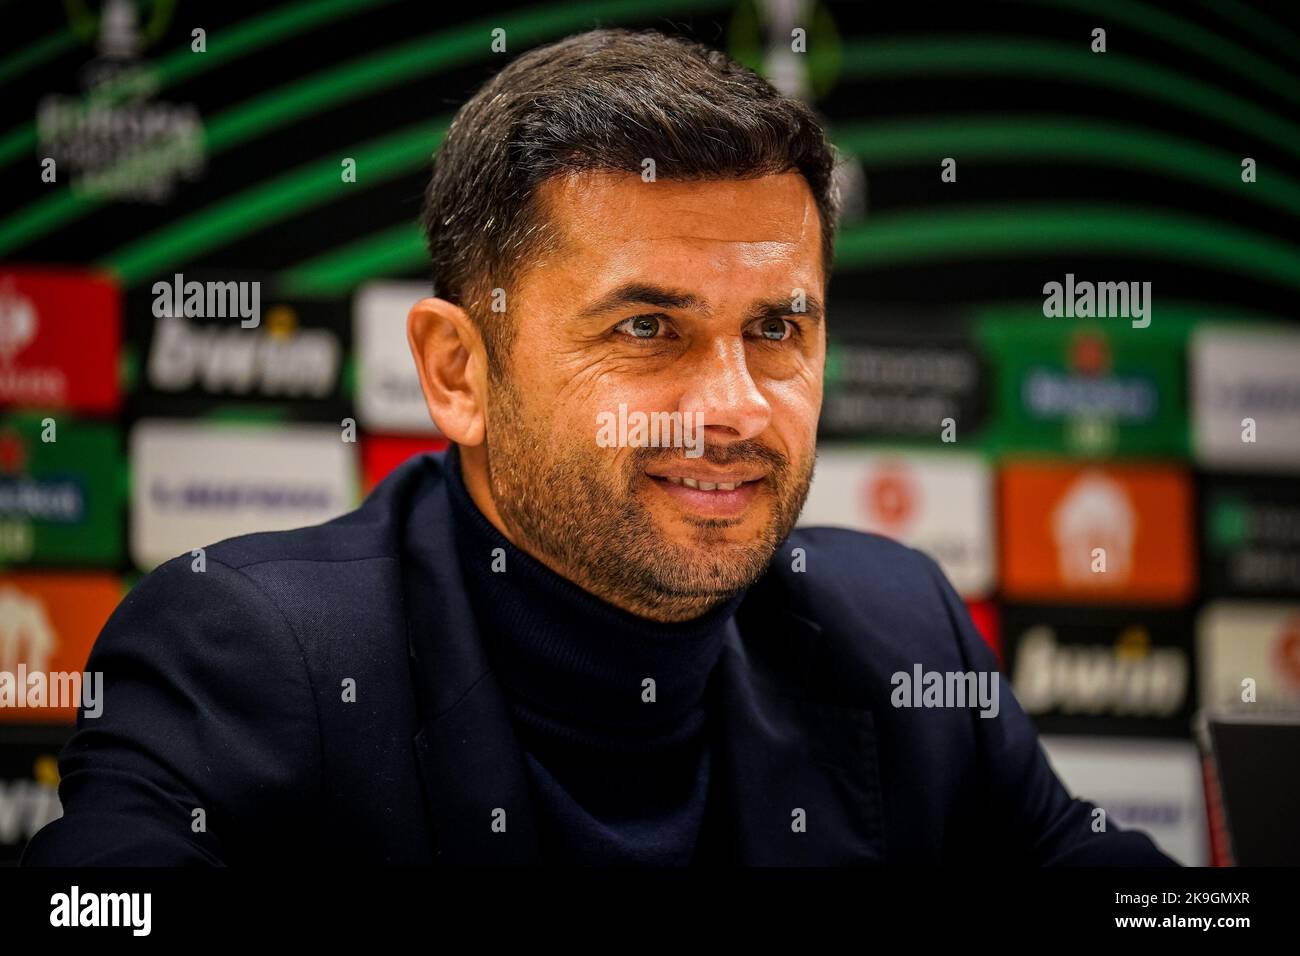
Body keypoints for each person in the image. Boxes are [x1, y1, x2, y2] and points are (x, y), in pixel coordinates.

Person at [23, 28, 1173, 866]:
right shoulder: (248, 648)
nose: (730, 407)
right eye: (645, 329)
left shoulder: (896, 632)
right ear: (458, 371)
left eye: (775, 328)